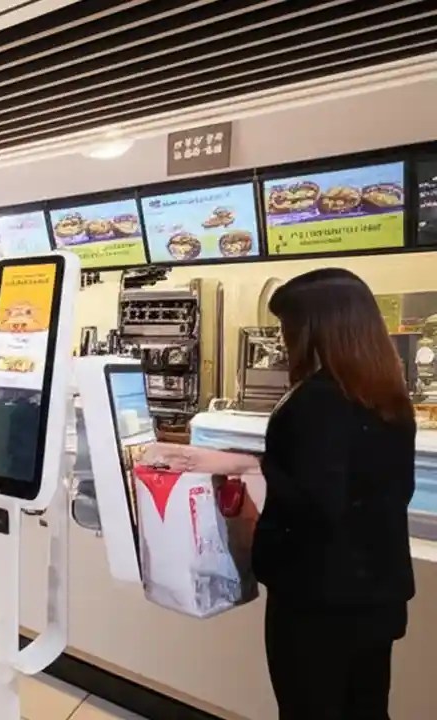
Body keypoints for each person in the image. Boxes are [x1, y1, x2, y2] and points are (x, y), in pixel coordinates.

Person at [150, 268, 415, 719]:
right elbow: (361, 483)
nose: (283, 339)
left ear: (313, 328)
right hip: (378, 600)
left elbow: (314, 502)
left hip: (317, 605)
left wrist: (253, 534)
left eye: (286, 328)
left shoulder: (313, 400)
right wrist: (247, 462)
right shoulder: (389, 398)